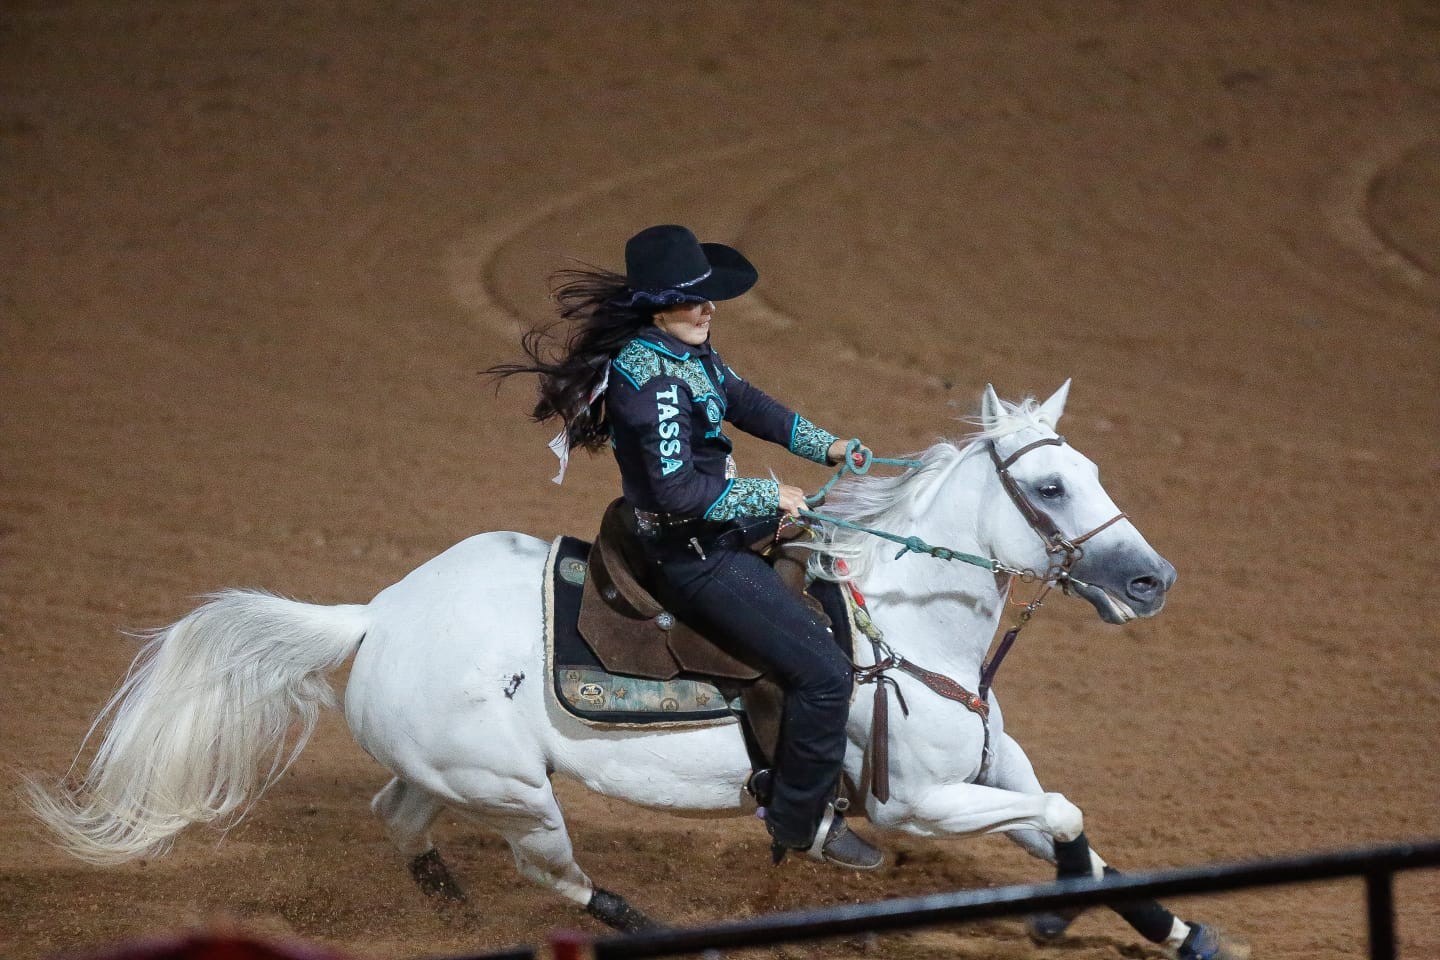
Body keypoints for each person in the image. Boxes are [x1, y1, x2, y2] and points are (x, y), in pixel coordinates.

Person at [485, 224, 883, 869]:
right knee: (826, 673)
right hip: (691, 553)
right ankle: (799, 817)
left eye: (708, 297)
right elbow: (675, 497)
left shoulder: (689, 352)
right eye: (694, 298)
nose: (709, 308)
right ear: (657, 306)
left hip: (716, 527)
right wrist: (767, 496)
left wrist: (826, 444)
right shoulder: (651, 385)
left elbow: (746, 401)